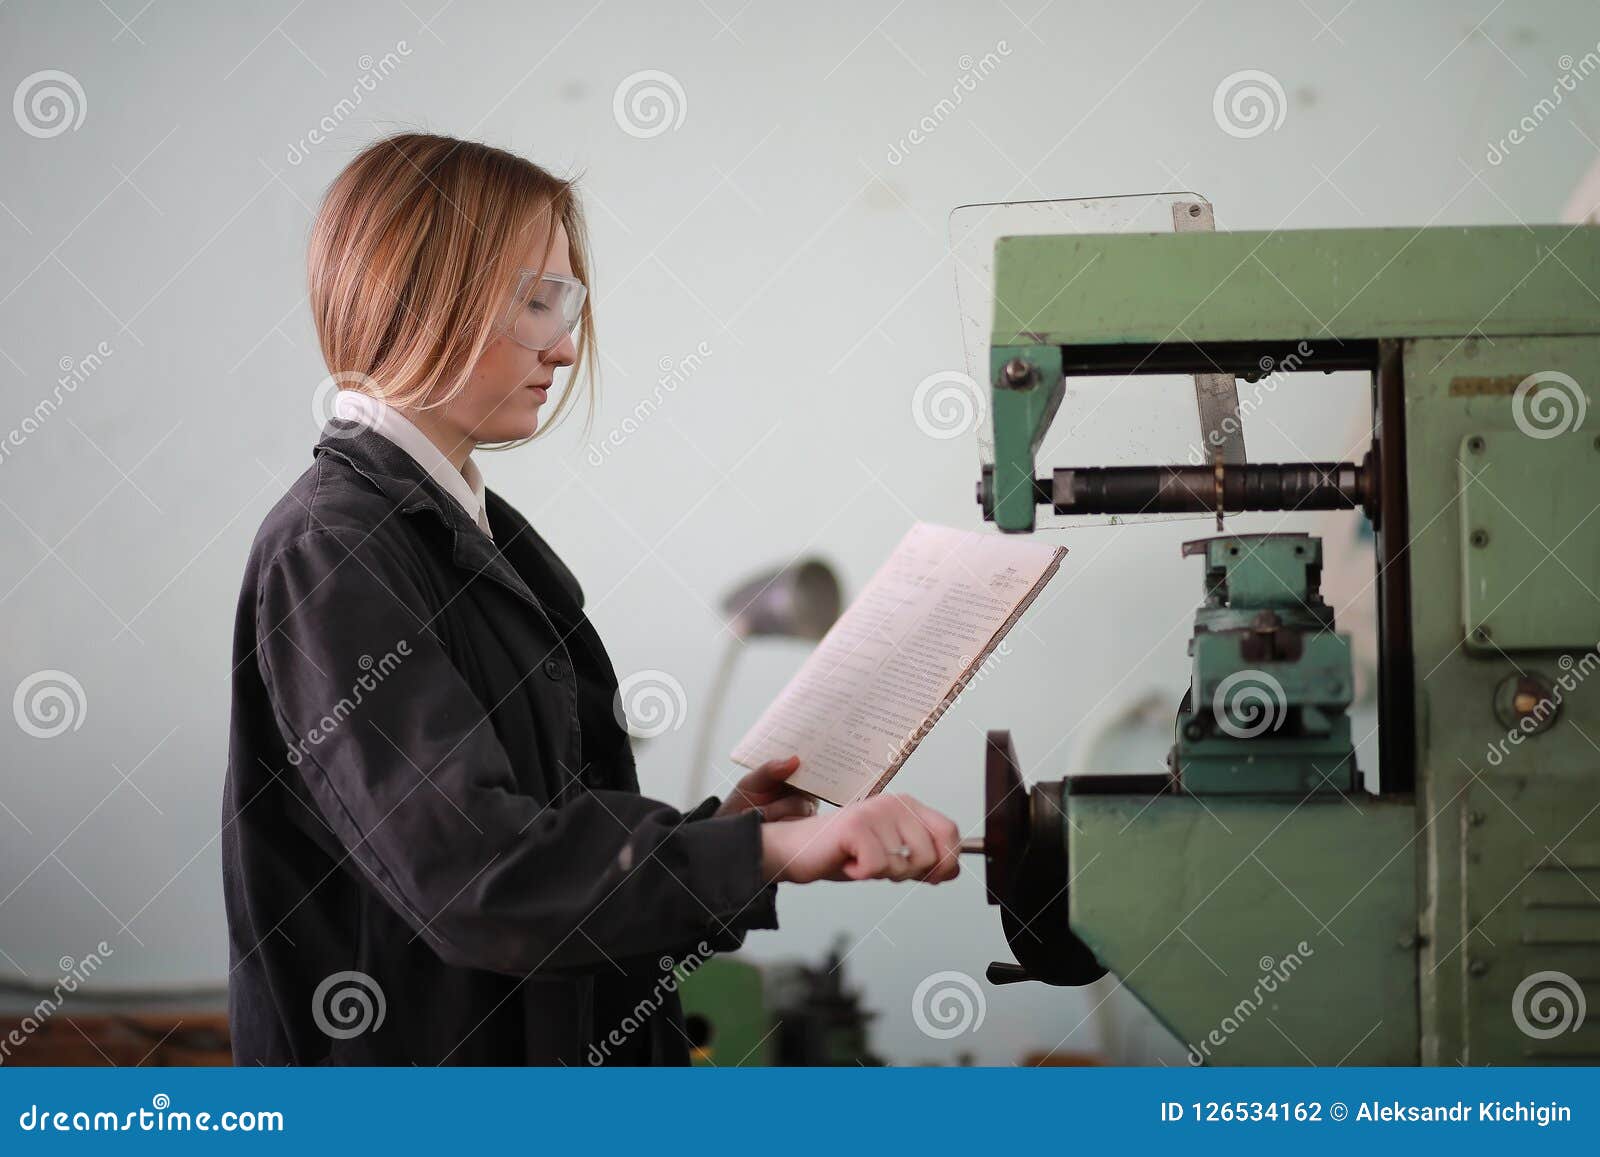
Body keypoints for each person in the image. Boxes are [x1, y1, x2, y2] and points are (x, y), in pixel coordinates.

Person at [221, 132, 962, 1066]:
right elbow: (476, 876)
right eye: (537, 303)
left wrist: (730, 838)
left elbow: (550, 854)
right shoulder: (334, 550)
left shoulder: (490, 538)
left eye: (565, 307)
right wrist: (757, 858)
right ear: (421, 296)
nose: (567, 348)